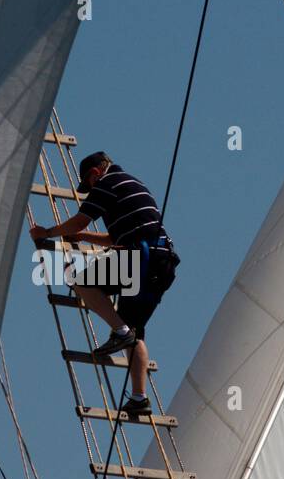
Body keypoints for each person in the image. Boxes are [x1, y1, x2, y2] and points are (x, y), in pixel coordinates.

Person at [30, 152, 179, 417]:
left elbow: (80, 219)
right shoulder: (133, 184)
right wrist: (83, 236)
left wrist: (48, 233)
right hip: (162, 264)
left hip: (141, 259)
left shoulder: (108, 184)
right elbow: (114, 238)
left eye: (89, 184)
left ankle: (120, 331)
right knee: (135, 332)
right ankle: (139, 397)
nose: (89, 190)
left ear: (96, 173)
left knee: (77, 279)